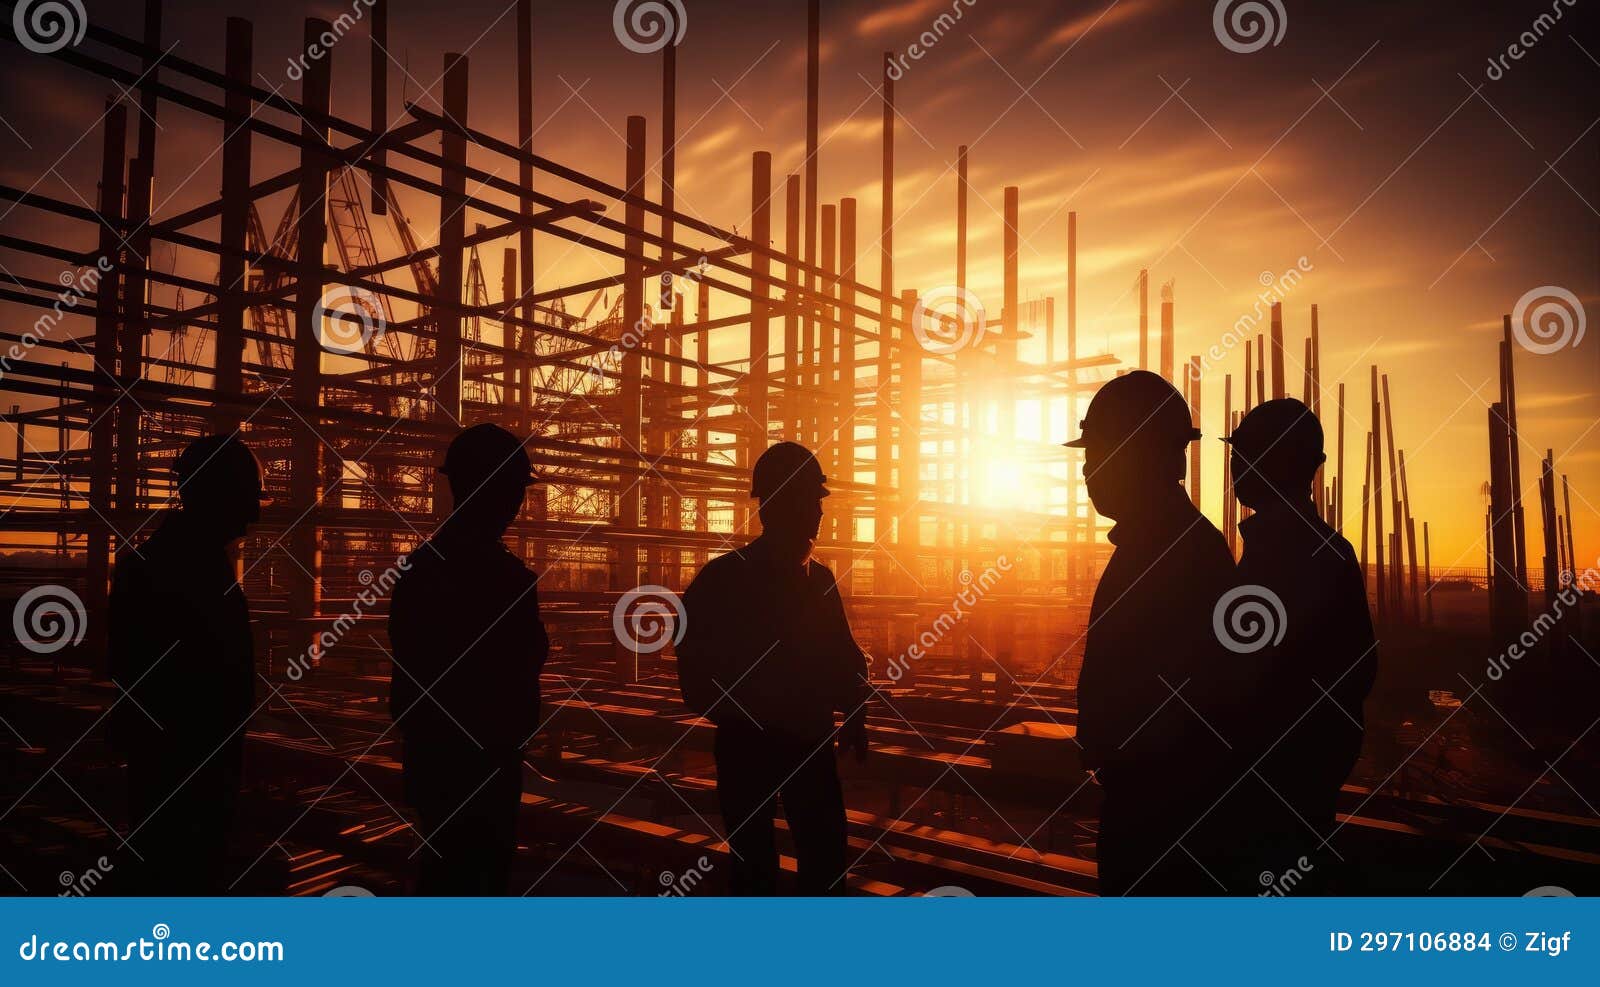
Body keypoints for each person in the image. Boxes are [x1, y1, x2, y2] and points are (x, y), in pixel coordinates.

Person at [1064, 370, 1243, 895]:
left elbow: (1198, 701)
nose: (1086, 470)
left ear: (1139, 458)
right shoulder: (1155, 548)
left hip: (1164, 813)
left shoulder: (1182, 556)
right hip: (1144, 797)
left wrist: (1119, 751)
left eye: (1096, 455)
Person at [676, 441, 869, 895]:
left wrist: (855, 707)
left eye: (817, 504)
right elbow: (695, 671)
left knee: (816, 862)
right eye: (809, 502)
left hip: (798, 743)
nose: (819, 515)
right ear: (774, 508)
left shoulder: (815, 580)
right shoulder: (725, 580)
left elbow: (842, 655)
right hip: (756, 746)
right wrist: (756, 714)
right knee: (760, 869)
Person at [388, 423, 549, 895]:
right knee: (479, 879)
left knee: (444, 875)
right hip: (485, 766)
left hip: (436, 765)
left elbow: (412, 674)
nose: (518, 505)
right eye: (514, 491)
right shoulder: (505, 580)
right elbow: (520, 667)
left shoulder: (419, 571)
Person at [1224, 398, 1377, 893]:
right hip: (1301, 780)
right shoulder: (1325, 550)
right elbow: (1359, 671)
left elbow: (1242, 679)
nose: (1234, 467)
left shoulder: (1283, 557)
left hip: (1273, 789)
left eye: (1244, 454)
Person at [109, 433, 262, 894]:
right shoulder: (194, 573)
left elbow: (122, 664)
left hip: (170, 767)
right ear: (218, 496)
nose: (253, 514)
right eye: (246, 499)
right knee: (182, 874)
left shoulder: (153, 562)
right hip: (189, 771)